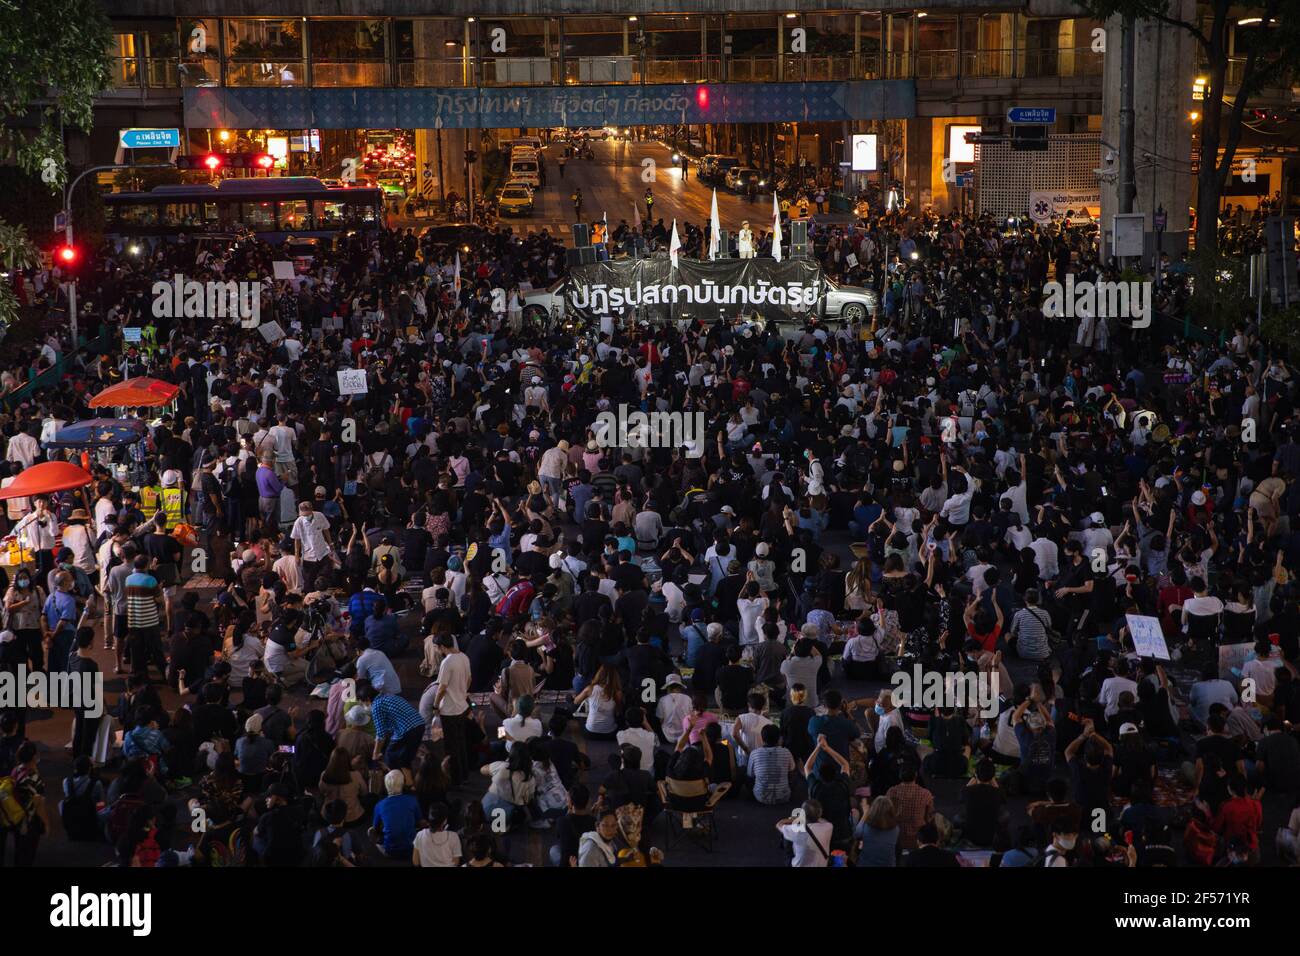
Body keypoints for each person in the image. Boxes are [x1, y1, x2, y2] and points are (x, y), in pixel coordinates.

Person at [370, 769, 420, 858]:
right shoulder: (413, 800)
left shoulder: (379, 805)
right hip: (412, 849)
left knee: (369, 831)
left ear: (386, 785)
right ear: (403, 784)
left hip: (390, 851)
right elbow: (419, 821)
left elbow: (375, 828)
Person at [777, 799, 835, 867]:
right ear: (820, 813)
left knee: (785, 833)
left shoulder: (798, 831)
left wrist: (793, 819)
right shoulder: (829, 827)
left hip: (799, 865)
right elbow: (822, 820)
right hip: (822, 864)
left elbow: (779, 825)